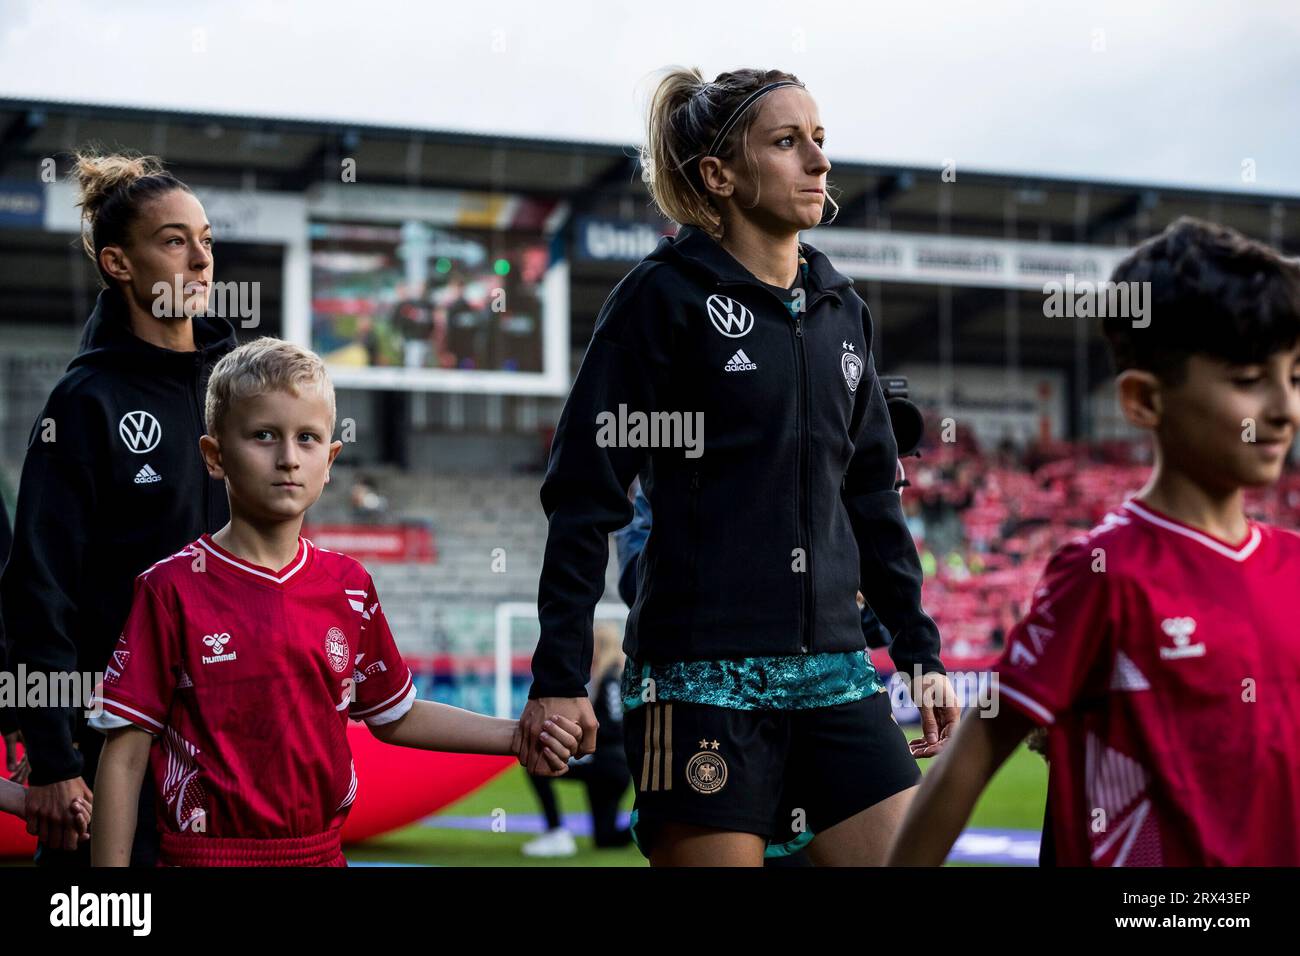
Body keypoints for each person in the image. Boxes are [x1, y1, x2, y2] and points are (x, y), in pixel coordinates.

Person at [518, 67, 958, 867]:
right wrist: (559, 676)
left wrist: (920, 652)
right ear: (718, 176)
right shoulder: (659, 300)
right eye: (788, 143)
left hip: (838, 673)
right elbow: (587, 496)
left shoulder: (841, 307)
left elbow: (873, 499)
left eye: (819, 140)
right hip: (695, 683)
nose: (819, 162)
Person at [887, 217, 1300, 866]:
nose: (1284, 408)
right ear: (1143, 401)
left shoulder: (1294, 566)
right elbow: (977, 751)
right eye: (1249, 380)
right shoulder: (1106, 573)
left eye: (1296, 376)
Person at [89, 338, 582, 867]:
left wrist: (516, 736)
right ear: (215, 456)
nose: (287, 459)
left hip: (320, 856)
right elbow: (125, 755)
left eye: (307, 439)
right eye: (263, 436)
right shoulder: (170, 588)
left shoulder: (348, 586)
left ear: (330, 459)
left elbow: (397, 716)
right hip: (206, 856)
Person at [1, 151, 238, 865]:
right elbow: (37, 591)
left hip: (229, 753)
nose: (200, 260)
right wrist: (52, 757)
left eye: (206, 239)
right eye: (174, 241)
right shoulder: (83, 404)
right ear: (118, 263)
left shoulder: (239, 391)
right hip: (111, 760)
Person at [522, 622, 633, 856]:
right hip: (613, 767)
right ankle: (648, 825)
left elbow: (613, 725)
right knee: (605, 839)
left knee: (538, 762)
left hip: (606, 763)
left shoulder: (612, 678)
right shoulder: (616, 677)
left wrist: (577, 733)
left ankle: (555, 833)